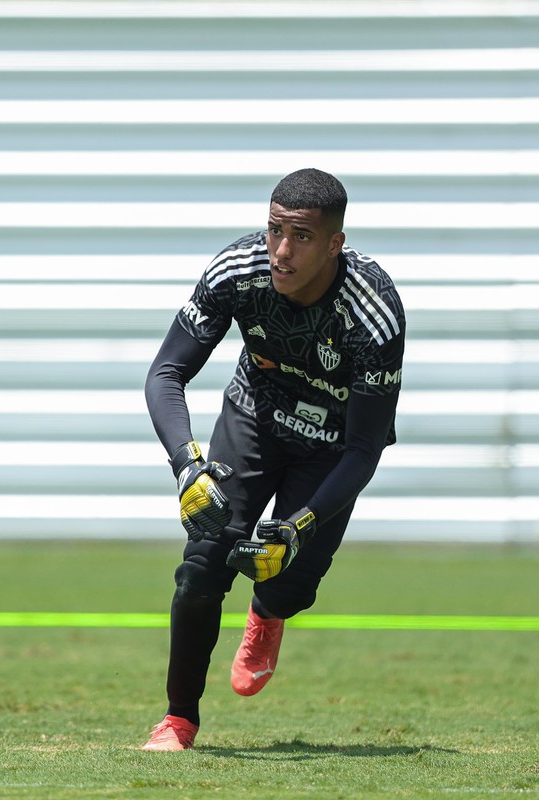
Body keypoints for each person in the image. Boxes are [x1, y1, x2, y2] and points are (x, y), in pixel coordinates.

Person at [141, 168, 406, 750]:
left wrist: (296, 527)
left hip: (332, 451)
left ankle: (268, 613)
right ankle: (179, 720)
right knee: (201, 564)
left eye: (302, 237)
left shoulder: (374, 313)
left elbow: (365, 449)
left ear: (335, 243)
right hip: (254, 420)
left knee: (285, 577)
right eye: (273, 230)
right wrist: (188, 466)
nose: (281, 251)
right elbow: (165, 375)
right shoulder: (238, 271)